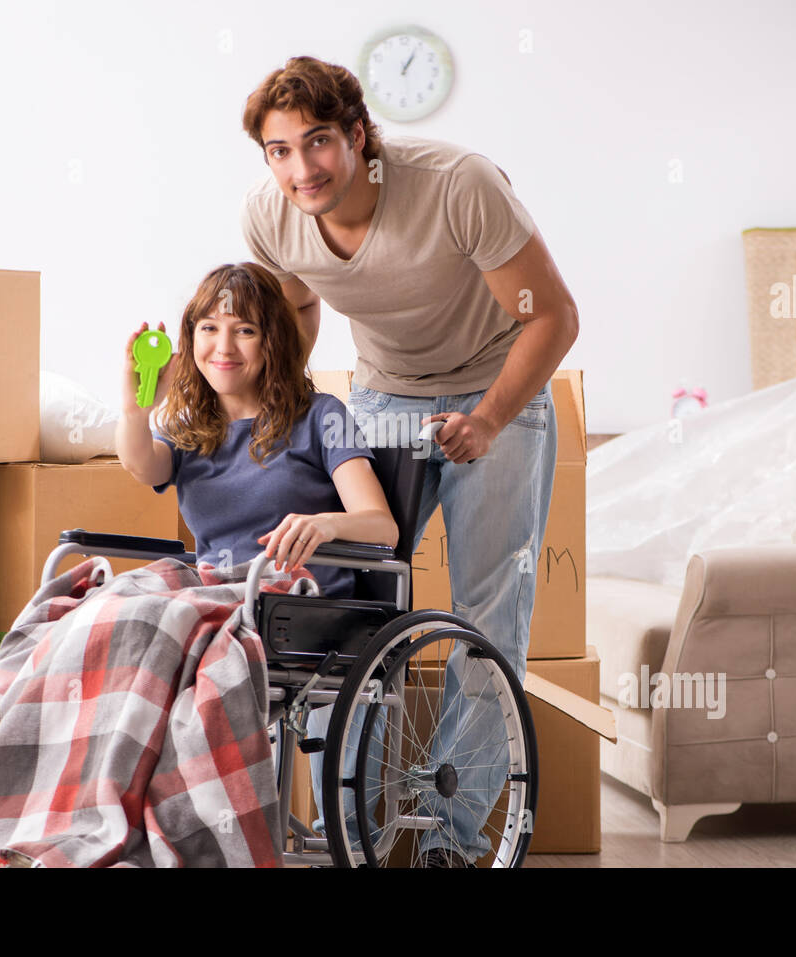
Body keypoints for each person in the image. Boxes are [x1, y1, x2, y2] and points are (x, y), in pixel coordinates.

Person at [240, 56, 580, 866]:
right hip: (385, 400)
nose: (301, 169)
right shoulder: (270, 215)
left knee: (487, 619)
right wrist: (286, 414)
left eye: (317, 143)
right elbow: (293, 306)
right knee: (353, 598)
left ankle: (449, 838)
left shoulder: (457, 185)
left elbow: (556, 316)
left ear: (358, 136)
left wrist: (492, 417)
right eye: (279, 151)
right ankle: (351, 813)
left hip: (497, 389)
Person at [115, 261, 397, 598]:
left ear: (271, 342)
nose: (224, 347)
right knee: (100, 603)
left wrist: (326, 524)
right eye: (209, 328)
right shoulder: (189, 430)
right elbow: (142, 466)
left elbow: (383, 529)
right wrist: (134, 413)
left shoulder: (321, 416)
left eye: (245, 330)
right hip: (216, 593)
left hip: (296, 603)